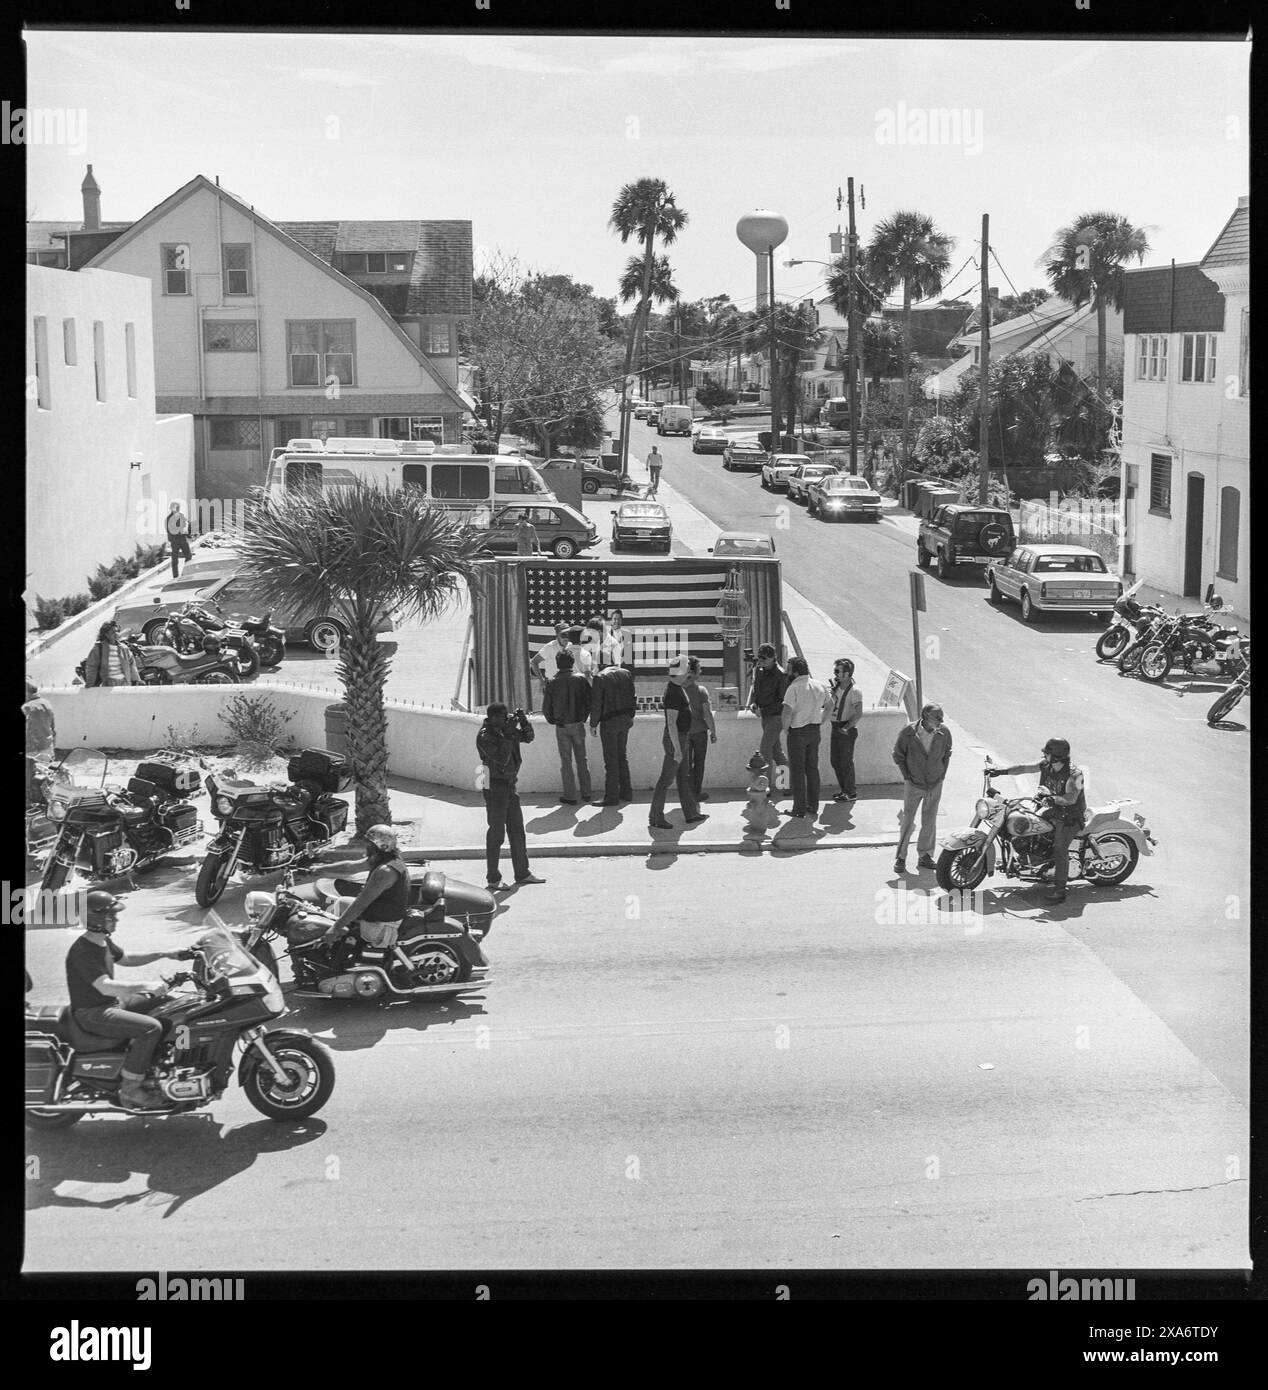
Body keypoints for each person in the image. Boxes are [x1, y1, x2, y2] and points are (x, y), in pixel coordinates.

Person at [65, 890, 195, 1111]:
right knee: (150, 1029)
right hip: (94, 1013)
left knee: (170, 1004)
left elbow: (126, 958)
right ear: (96, 918)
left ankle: (175, 1062)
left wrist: (164, 953)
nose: (115, 919)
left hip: (110, 1005)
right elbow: (105, 987)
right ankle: (131, 1089)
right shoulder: (83, 951)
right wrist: (145, 985)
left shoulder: (101, 941)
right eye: (111, 915)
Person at [986, 738, 1086, 903]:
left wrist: (1052, 799)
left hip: (1070, 816)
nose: (1044, 755)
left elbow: (1072, 798)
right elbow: (1024, 767)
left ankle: (1060, 891)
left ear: (1055, 756)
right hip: (1053, 810)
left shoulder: (1075, 774)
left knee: (1060, 848)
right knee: (1029, 825)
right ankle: (1034, 860)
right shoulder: (1046, 765)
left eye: (1047, 753)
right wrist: (1001, 771)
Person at [476, 702, 545, 890]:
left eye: (507, 716)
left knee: (517, 830)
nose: (506, 719)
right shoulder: (485, 736)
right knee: (496, 833)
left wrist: (523, 722)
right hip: (493, 786)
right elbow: (502, 758)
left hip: (509, 785)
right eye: (502, 716)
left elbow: (529, 737)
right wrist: (508, 733)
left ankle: (522, 873)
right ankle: (493, 878)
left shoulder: (507, 730)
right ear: (493, 718)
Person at [320, 824, 411, 957]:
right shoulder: (384, 858)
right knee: (339, 903)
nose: (366, 846)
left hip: (380, 925)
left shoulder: (385, 871)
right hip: (379, 911)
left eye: (369, 844)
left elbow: (360, 904)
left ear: (380, 845)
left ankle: (339, 959)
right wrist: (318, 870)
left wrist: (335, 928)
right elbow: (350, 867)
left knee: (336, 928)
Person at [891, 702, 953, 873]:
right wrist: (907, 777)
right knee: (908, 821)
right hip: (914, 784)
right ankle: (901, 857)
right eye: (937, 717)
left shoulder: (944, 733)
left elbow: (947, 754)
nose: (941, 720)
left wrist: (941, 776)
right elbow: (897, 755)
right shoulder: (909, 733)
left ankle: (925, 855)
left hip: (934, 784)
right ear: (925, 716)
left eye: (942, 717)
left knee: (930, 821)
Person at [649, 656, 706, 830]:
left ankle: (691, 813)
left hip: (682, 738)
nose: (689, 672)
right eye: (687, 669)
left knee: (684, 777)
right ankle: (656, 817)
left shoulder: (677, 687)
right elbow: (671, 723)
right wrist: (677, 749)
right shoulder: (673, 693)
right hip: (676, 739)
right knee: (666, 780)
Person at [780, 656, 829, 819]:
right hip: (814, 731)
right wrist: (822, 721)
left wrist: (786, 730)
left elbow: (787, 712)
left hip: (797, 732)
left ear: (795, 672)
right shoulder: (819, 685)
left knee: (798, 771)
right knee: (812, 769)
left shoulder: (793, 688)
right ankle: (813, 806)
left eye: (789, 669)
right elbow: (831, 705)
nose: (787, 672)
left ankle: (799, 808)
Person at [541, 650, 592, 805]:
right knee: (582, 759)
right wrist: (583, 717)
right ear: (572, 662)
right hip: (577, 724)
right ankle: (586, 792)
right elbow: (589, 701)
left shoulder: (552, 682)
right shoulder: (581, 680)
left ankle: (570, 795)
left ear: (558, 664)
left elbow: (546, 708)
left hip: (562, 726)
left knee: (566, 761)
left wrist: (553, 720)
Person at [589, 659, 637, 805]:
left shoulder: (600, 677)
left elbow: (596, 703)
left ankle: (611, 796)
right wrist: (630, 715)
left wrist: (593, 724)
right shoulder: (626, 673)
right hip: (625, 719)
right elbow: (633, 697)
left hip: (609, 722)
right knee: (622, 757)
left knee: (611, 760)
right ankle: (626, 792)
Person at [747, 643, 790, 798]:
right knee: (776, 752)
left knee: (765, 750)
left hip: (776, 717)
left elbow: (783, 702)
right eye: (760, 657)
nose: (762, 661)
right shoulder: (759, 671)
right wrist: (754, 704)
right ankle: (786, 784)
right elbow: (756, 690)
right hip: (765, 716)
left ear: (773, 658)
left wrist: (763, 710)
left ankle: (765, 786)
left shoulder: (781, 674)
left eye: (765, 658)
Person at [825, 658, 863, 802]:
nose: (835, 674)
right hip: (836, 727)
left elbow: (858, 714)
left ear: (847, 674)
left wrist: (846, 728)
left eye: (837, 671)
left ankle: (850, 792)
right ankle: (844, 790)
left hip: (846, 728)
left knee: (846, 762)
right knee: (835, 761)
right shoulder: (837, 687)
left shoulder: (855, 691)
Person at [683, 655, 717, 803]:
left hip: (683, 732)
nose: (701, 671)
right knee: (699, 764)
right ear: (693, 671)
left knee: (686, 766)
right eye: (699, 669)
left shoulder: (678, 689)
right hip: (699, 733)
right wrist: (713, 731)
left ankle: (686, 794)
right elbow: (707, 714)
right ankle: (696, 793)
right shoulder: (701, 691)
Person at [79, 621, 142, 687]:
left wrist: (137, 680)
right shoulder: (99, 648)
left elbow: (132, 665)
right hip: (107, 685)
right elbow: (91, 667)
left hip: (124, 684)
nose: (116, 634)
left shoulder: (124, 648)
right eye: (113, 632)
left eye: (117, 631)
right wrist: (90, 683)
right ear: (106, 635)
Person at [24, 679, 56, 804]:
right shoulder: (46, 703)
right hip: (47, 748)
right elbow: (53, 728)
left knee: (30, 783)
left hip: (31, 750)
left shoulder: (27, 707)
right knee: (43, 779)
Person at [165, 501, 192, 579]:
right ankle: (175, 576)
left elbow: (187, 524)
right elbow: (169, 530)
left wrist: (188, 529)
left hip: (183, 539)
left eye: (178, 508)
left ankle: (187, 573)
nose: (177, 509)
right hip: (175, 540)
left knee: (188, 556)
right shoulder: (169, 518)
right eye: (176, 508)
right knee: (175, 559)